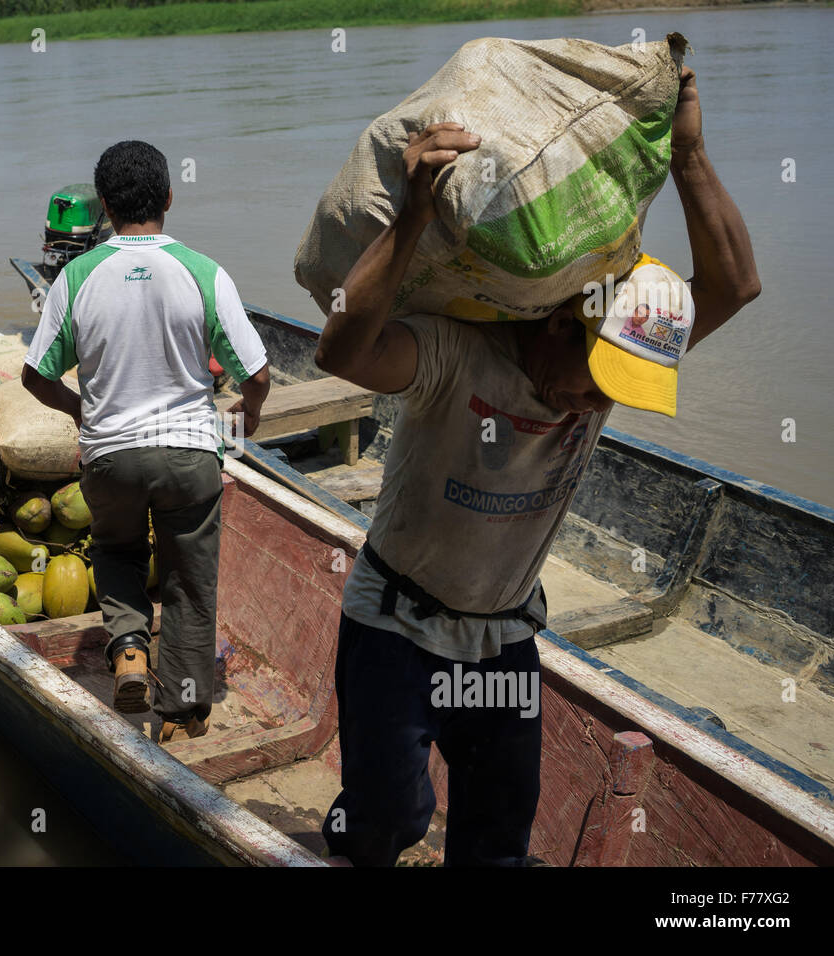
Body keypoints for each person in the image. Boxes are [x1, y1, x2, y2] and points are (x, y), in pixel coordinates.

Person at [313, 67, 759, 865]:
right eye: (593, 387)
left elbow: (736, 285)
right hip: (396, 628)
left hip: (503, 636)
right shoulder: (457, 353)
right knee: (386, 820)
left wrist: (688, 155)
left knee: (498, 837)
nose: (592, 408)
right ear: (558, 324)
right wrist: (413, 217)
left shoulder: (613, 350)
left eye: (612, 395)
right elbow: (345, 351)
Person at [22, 141, 271, 743]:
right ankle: (187, 707)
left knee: (116, 550)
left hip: (110, 455)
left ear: (104, 206)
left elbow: (35, 375)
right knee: (189, 576)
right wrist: (249, 414)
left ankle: (130, 649)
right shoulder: (204, 271)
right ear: (167, 198)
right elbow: (258, 374)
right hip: (189, 453)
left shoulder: (76, 276)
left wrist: (86, 411)